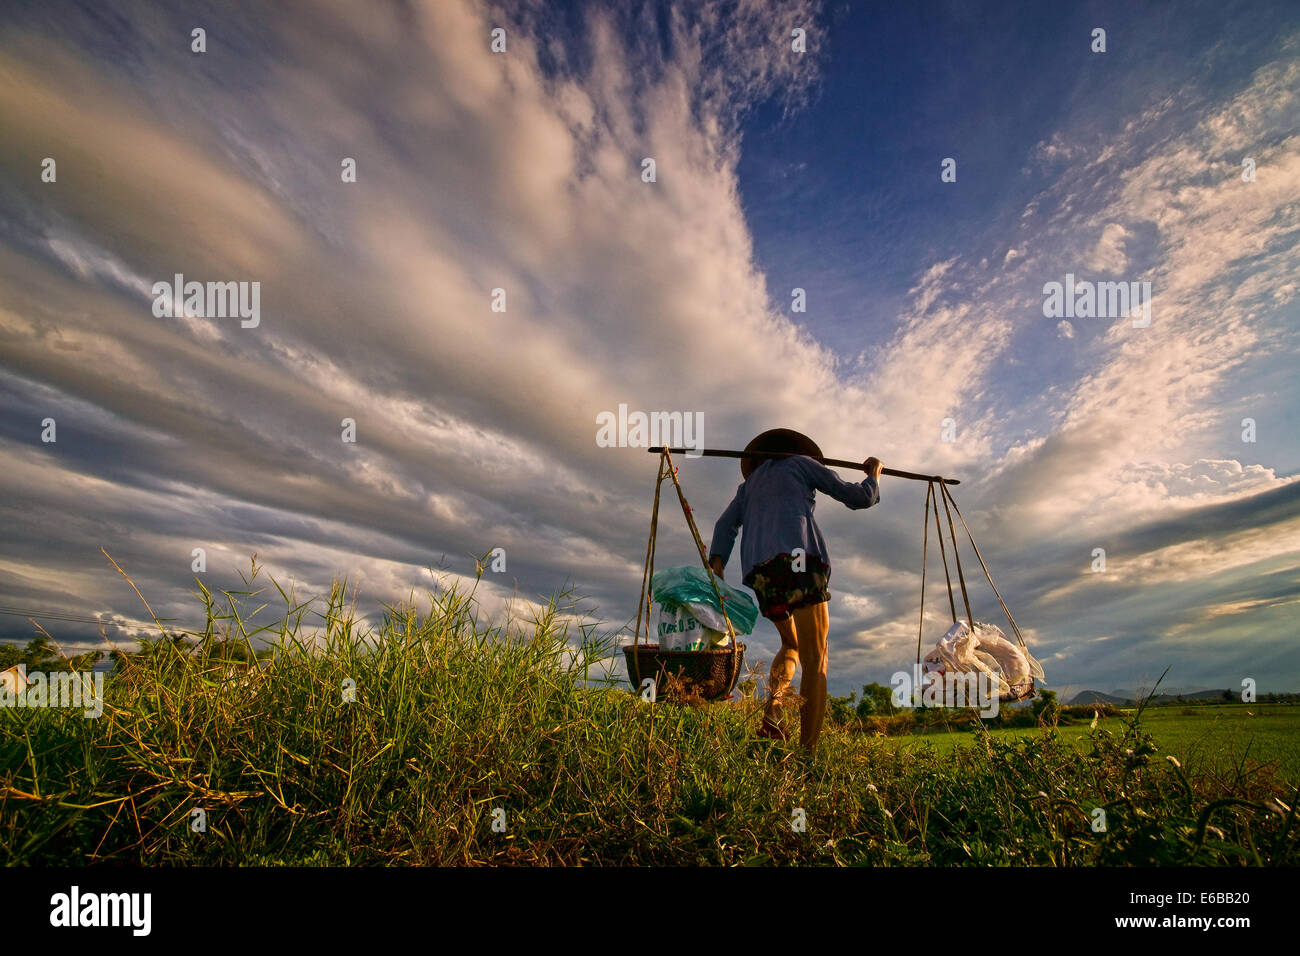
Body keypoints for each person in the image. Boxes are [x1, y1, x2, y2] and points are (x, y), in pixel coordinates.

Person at [708, 451, 883, 751]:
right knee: (816, 659)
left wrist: (717, 567)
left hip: (763, 573)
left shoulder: (749, 486)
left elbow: (724, 526)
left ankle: (773, 716)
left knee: (792, 643)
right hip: (799, 561)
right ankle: (808, 756)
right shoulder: (801, 464)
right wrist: (873, 476)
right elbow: (855, 497)